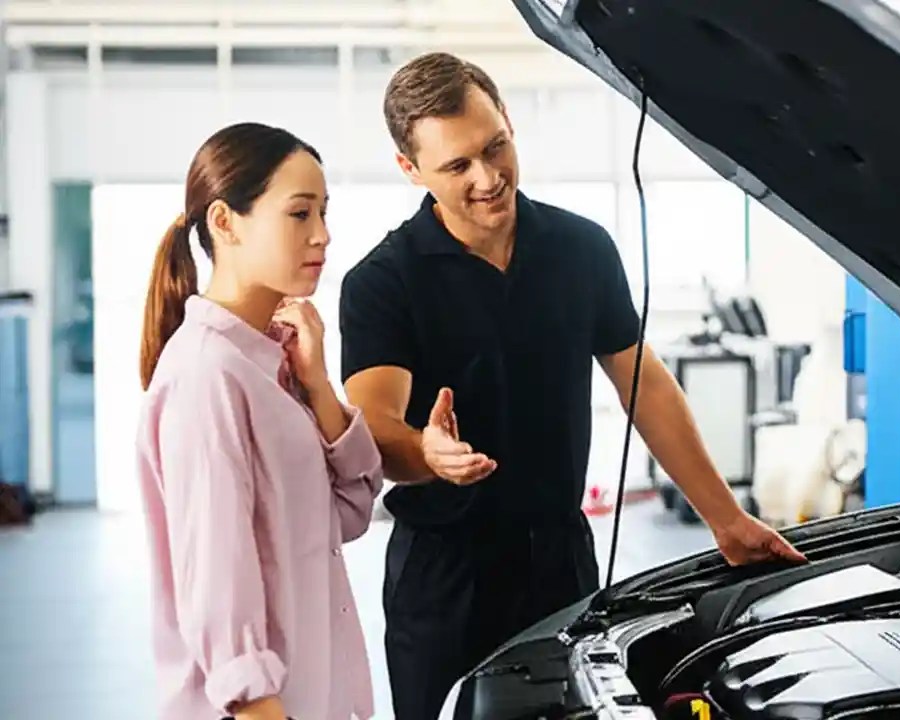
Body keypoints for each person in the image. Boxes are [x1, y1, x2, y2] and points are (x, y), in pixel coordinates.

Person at [338, 51, 806, 718]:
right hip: (445, 580)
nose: (488, 177)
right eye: (457, 166)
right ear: (410, 171)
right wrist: (426, 453)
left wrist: (724, 518)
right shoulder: (382, 282)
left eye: (495, 146)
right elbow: (375, 422)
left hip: (562, 563)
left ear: (507, 122)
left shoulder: (581, 249)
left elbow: (644, 386)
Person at [135, 122, 383, 720]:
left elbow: (348, 513)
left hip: (317, 694)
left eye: (324, 212)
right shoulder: (206, 375)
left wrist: (319, 385)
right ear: (225, 222)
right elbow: (218, 584)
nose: (322, 235)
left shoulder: (274, 363)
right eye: (299, 213)